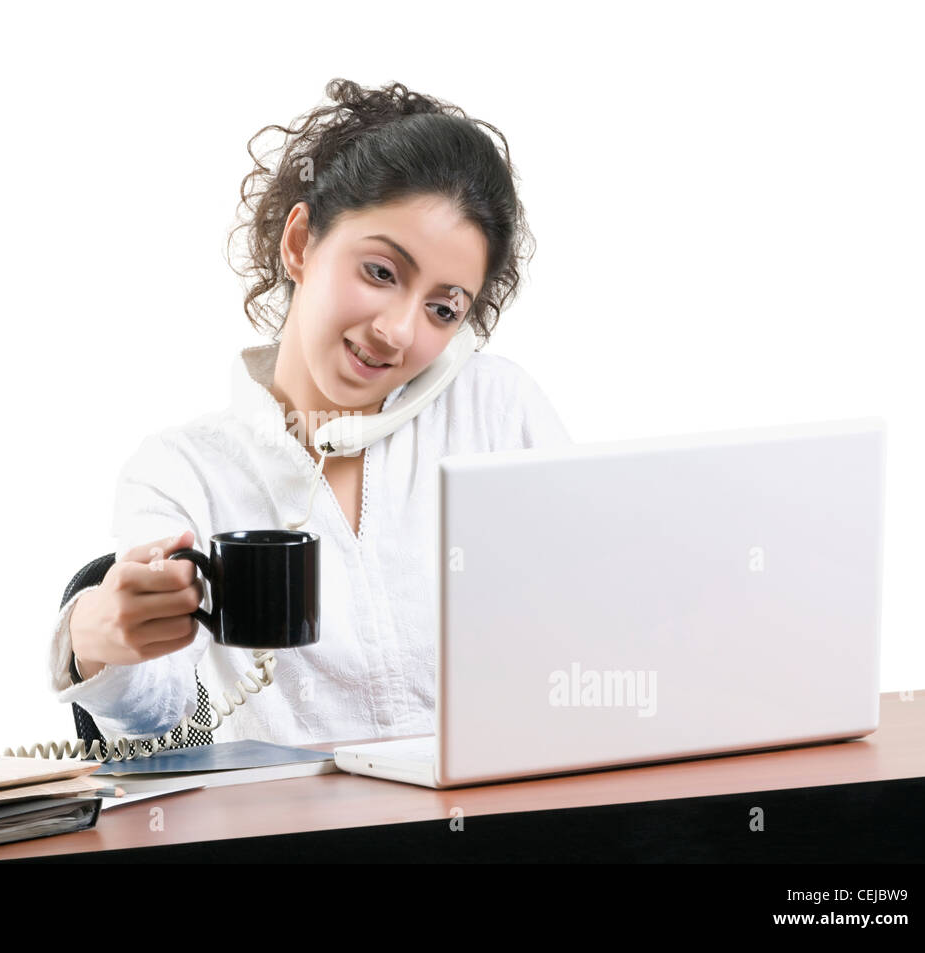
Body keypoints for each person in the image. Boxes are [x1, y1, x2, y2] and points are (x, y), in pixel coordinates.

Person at [47, 78, 572, 753]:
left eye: (443, 308)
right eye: (381, 271)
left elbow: (590, 617)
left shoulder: (496, 410)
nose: (397, 330)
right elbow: (151, 711)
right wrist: (96, 640)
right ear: (300, 243)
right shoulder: (183, 470)